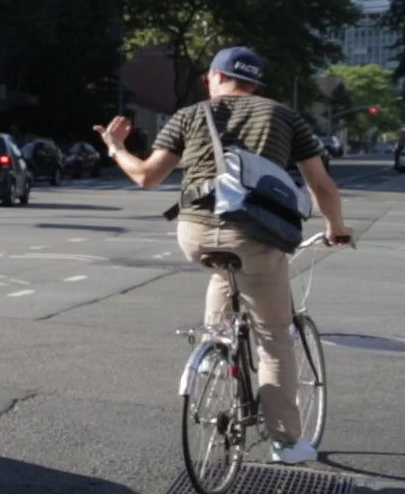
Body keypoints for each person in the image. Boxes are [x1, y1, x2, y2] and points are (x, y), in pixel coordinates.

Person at [93, 46, 354, 466]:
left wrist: (114, 146)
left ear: (214, 77)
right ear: (254, 82)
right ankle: (286, 442)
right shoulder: (284, 117)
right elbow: (322, 187)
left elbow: (145, 176)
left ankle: (218, 349)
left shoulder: (188, 116)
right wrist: (336, 228)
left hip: (195, 233)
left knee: (223, 275)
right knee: (273, 339)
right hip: (255, 234)